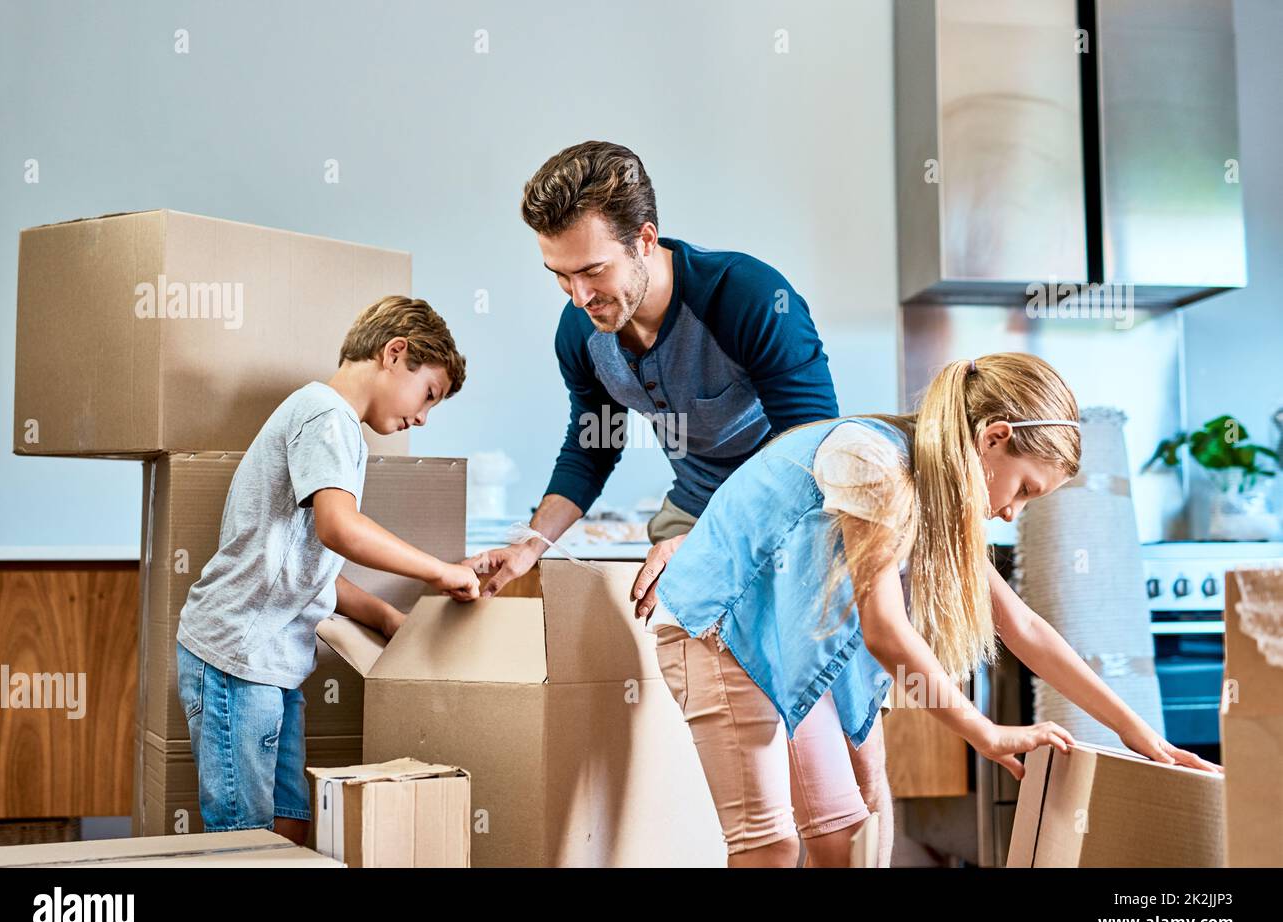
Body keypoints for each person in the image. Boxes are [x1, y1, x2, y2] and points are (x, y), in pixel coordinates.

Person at [466, 140, 898, 856]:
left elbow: (812, 455)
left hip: (803, 518)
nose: (578, 296)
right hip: (697, 512)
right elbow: (590, 445)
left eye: (593, 271)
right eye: (560, 276)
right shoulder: (582, 332)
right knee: (770, 767)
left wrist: (705, 545)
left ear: (644, 241)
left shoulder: (750, 298)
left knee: (857, 757)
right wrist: (531, 541)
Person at [645, 352, 1221, 867]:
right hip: (718, 630)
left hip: (781, 646)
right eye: (1023, 490)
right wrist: (986, 732)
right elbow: (886, 633)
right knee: (768, 843)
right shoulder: (874, 461)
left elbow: (1023, 627)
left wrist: (1140, 737)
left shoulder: (936, 485)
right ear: (994, 438)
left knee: (842, 836)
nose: (1011, 514)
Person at [174, 295, 478, 842]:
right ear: (394, 352)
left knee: (291, 822)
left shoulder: (335, 426)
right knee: (245, 838)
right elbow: (340, 528)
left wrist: (385, 616)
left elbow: (307, 567)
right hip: (239, 659)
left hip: (274, 664)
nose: (422, 417)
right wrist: (439, 572)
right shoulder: (326, 415)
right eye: (428, 394)